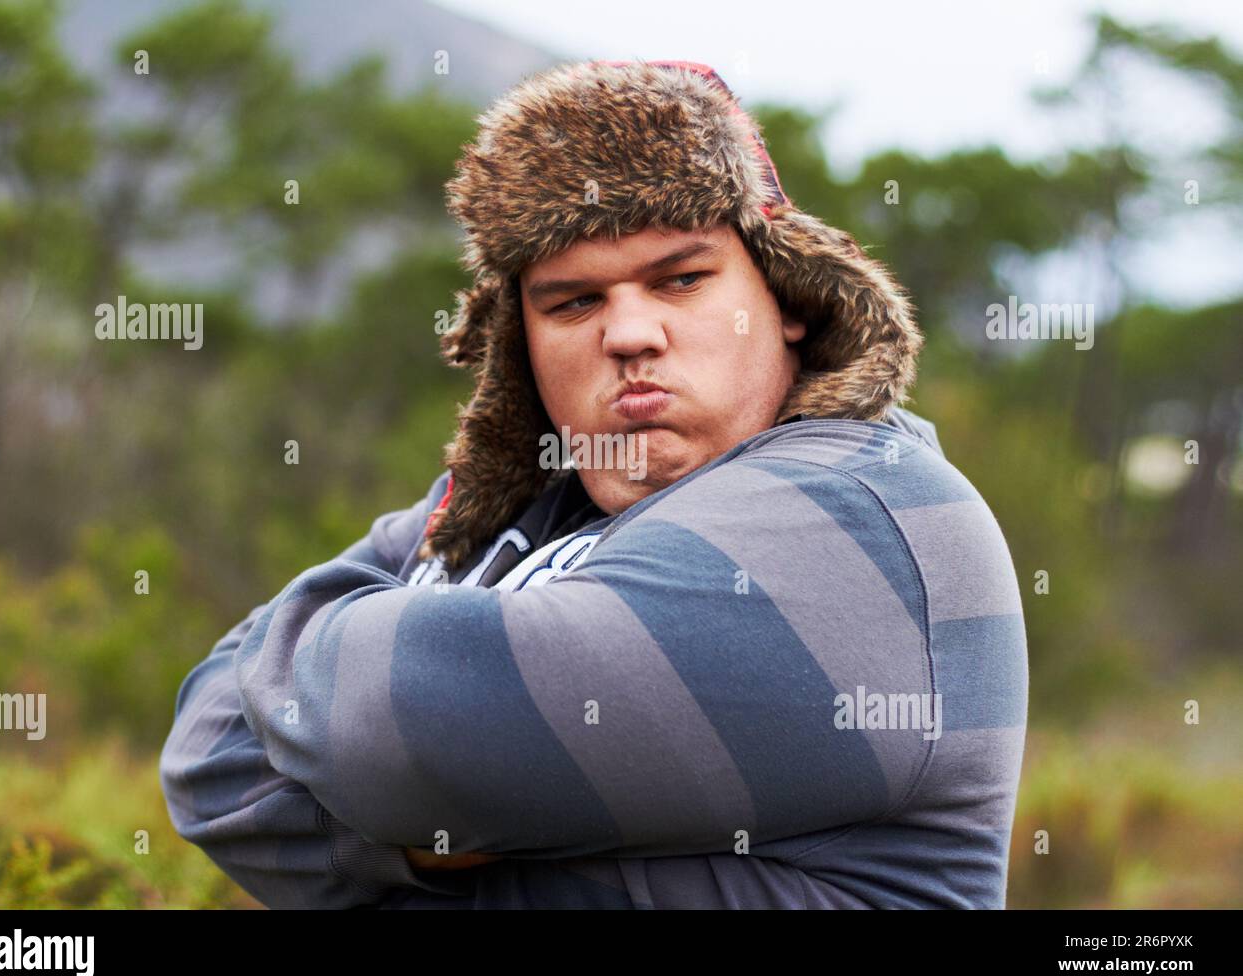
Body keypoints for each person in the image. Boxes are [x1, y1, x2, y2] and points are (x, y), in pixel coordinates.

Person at [159, 59, 1029, 908]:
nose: (630, 334)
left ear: (788, 294)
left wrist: (408, 815)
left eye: (682, 279)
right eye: (572, 303)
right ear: (520, 344)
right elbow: (206, 751)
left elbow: (400, 734)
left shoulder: (864, 505)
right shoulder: (514, 509)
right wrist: (440, 813)